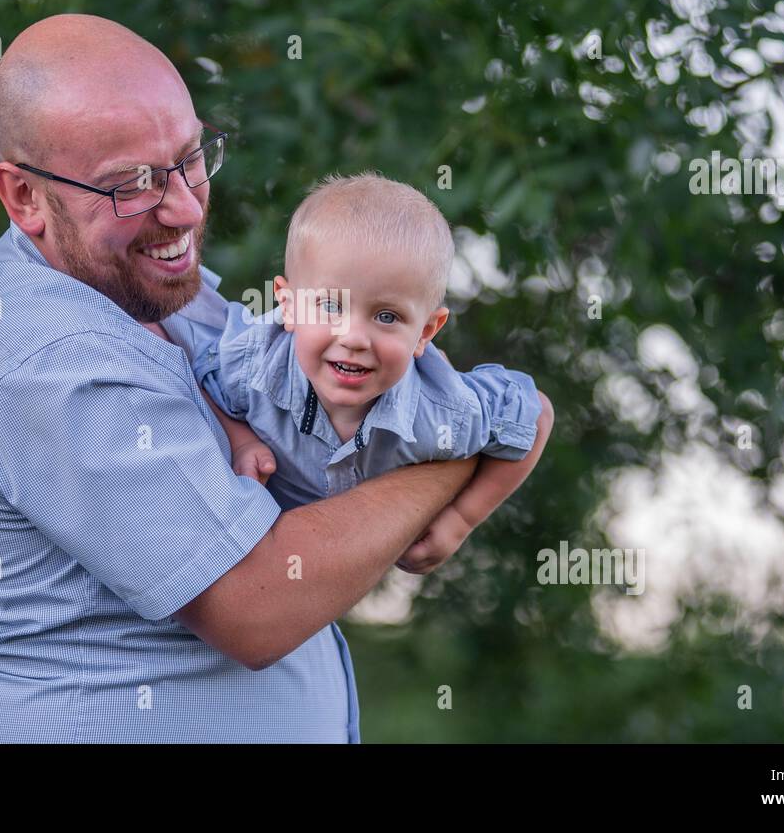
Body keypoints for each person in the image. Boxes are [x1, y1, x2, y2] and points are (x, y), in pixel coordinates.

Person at [0, 13, 553, 742]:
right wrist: (454, 459)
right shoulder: (45, 358)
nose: (186, 208)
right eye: (131, 184)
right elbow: (257, 602)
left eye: (191, 159)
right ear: (25, 196)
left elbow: (265, 400)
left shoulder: (152, 289)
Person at [163, 171, 550, 573]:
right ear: (289, 305)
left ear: (426, 332)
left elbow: (535, 414)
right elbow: (195, 374)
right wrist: (241, 440)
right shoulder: (254, 364)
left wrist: (461, 520)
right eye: (331, 306)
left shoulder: (444, 411)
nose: (354, 338)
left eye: (387, 316)